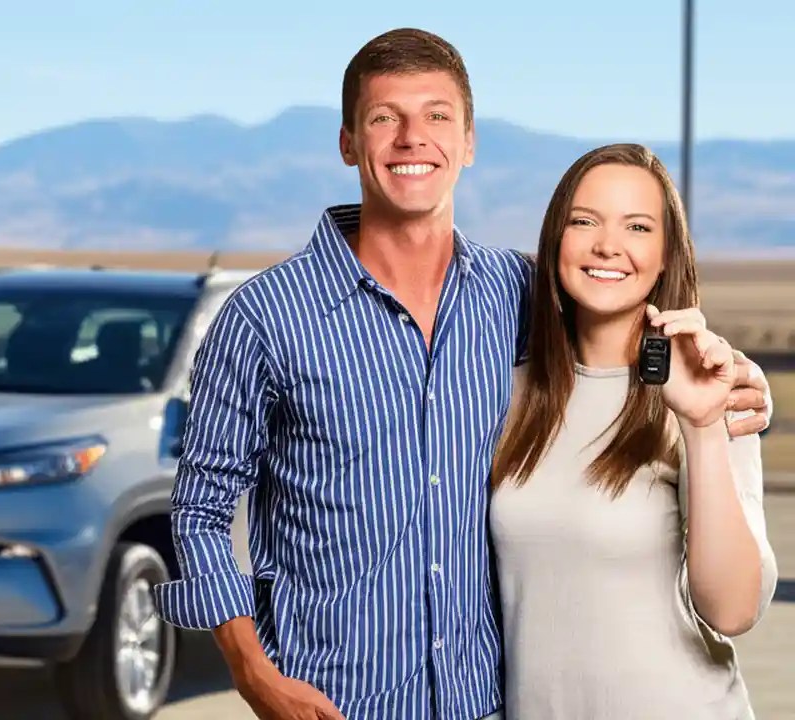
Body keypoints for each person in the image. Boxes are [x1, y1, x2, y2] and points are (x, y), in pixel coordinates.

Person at [149, 27, 775, 720]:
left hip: (481, 705)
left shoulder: (515, 293)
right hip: (336, 704)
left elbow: (617, 320)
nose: (413, 137)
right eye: (385, 117)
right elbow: (200, 510)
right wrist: (252, 671)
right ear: (349, 143)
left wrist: (741, 387)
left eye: (438, 116)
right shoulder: (265, 316)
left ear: (470, 142)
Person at [489, 143, 777, 719]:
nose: (607, 246)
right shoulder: (507, 394)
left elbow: (733, 610)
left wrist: (700, 425)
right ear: (555, 241)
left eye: (638, 226)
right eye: (584, 221)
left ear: (667, 254)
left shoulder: (713, 386)